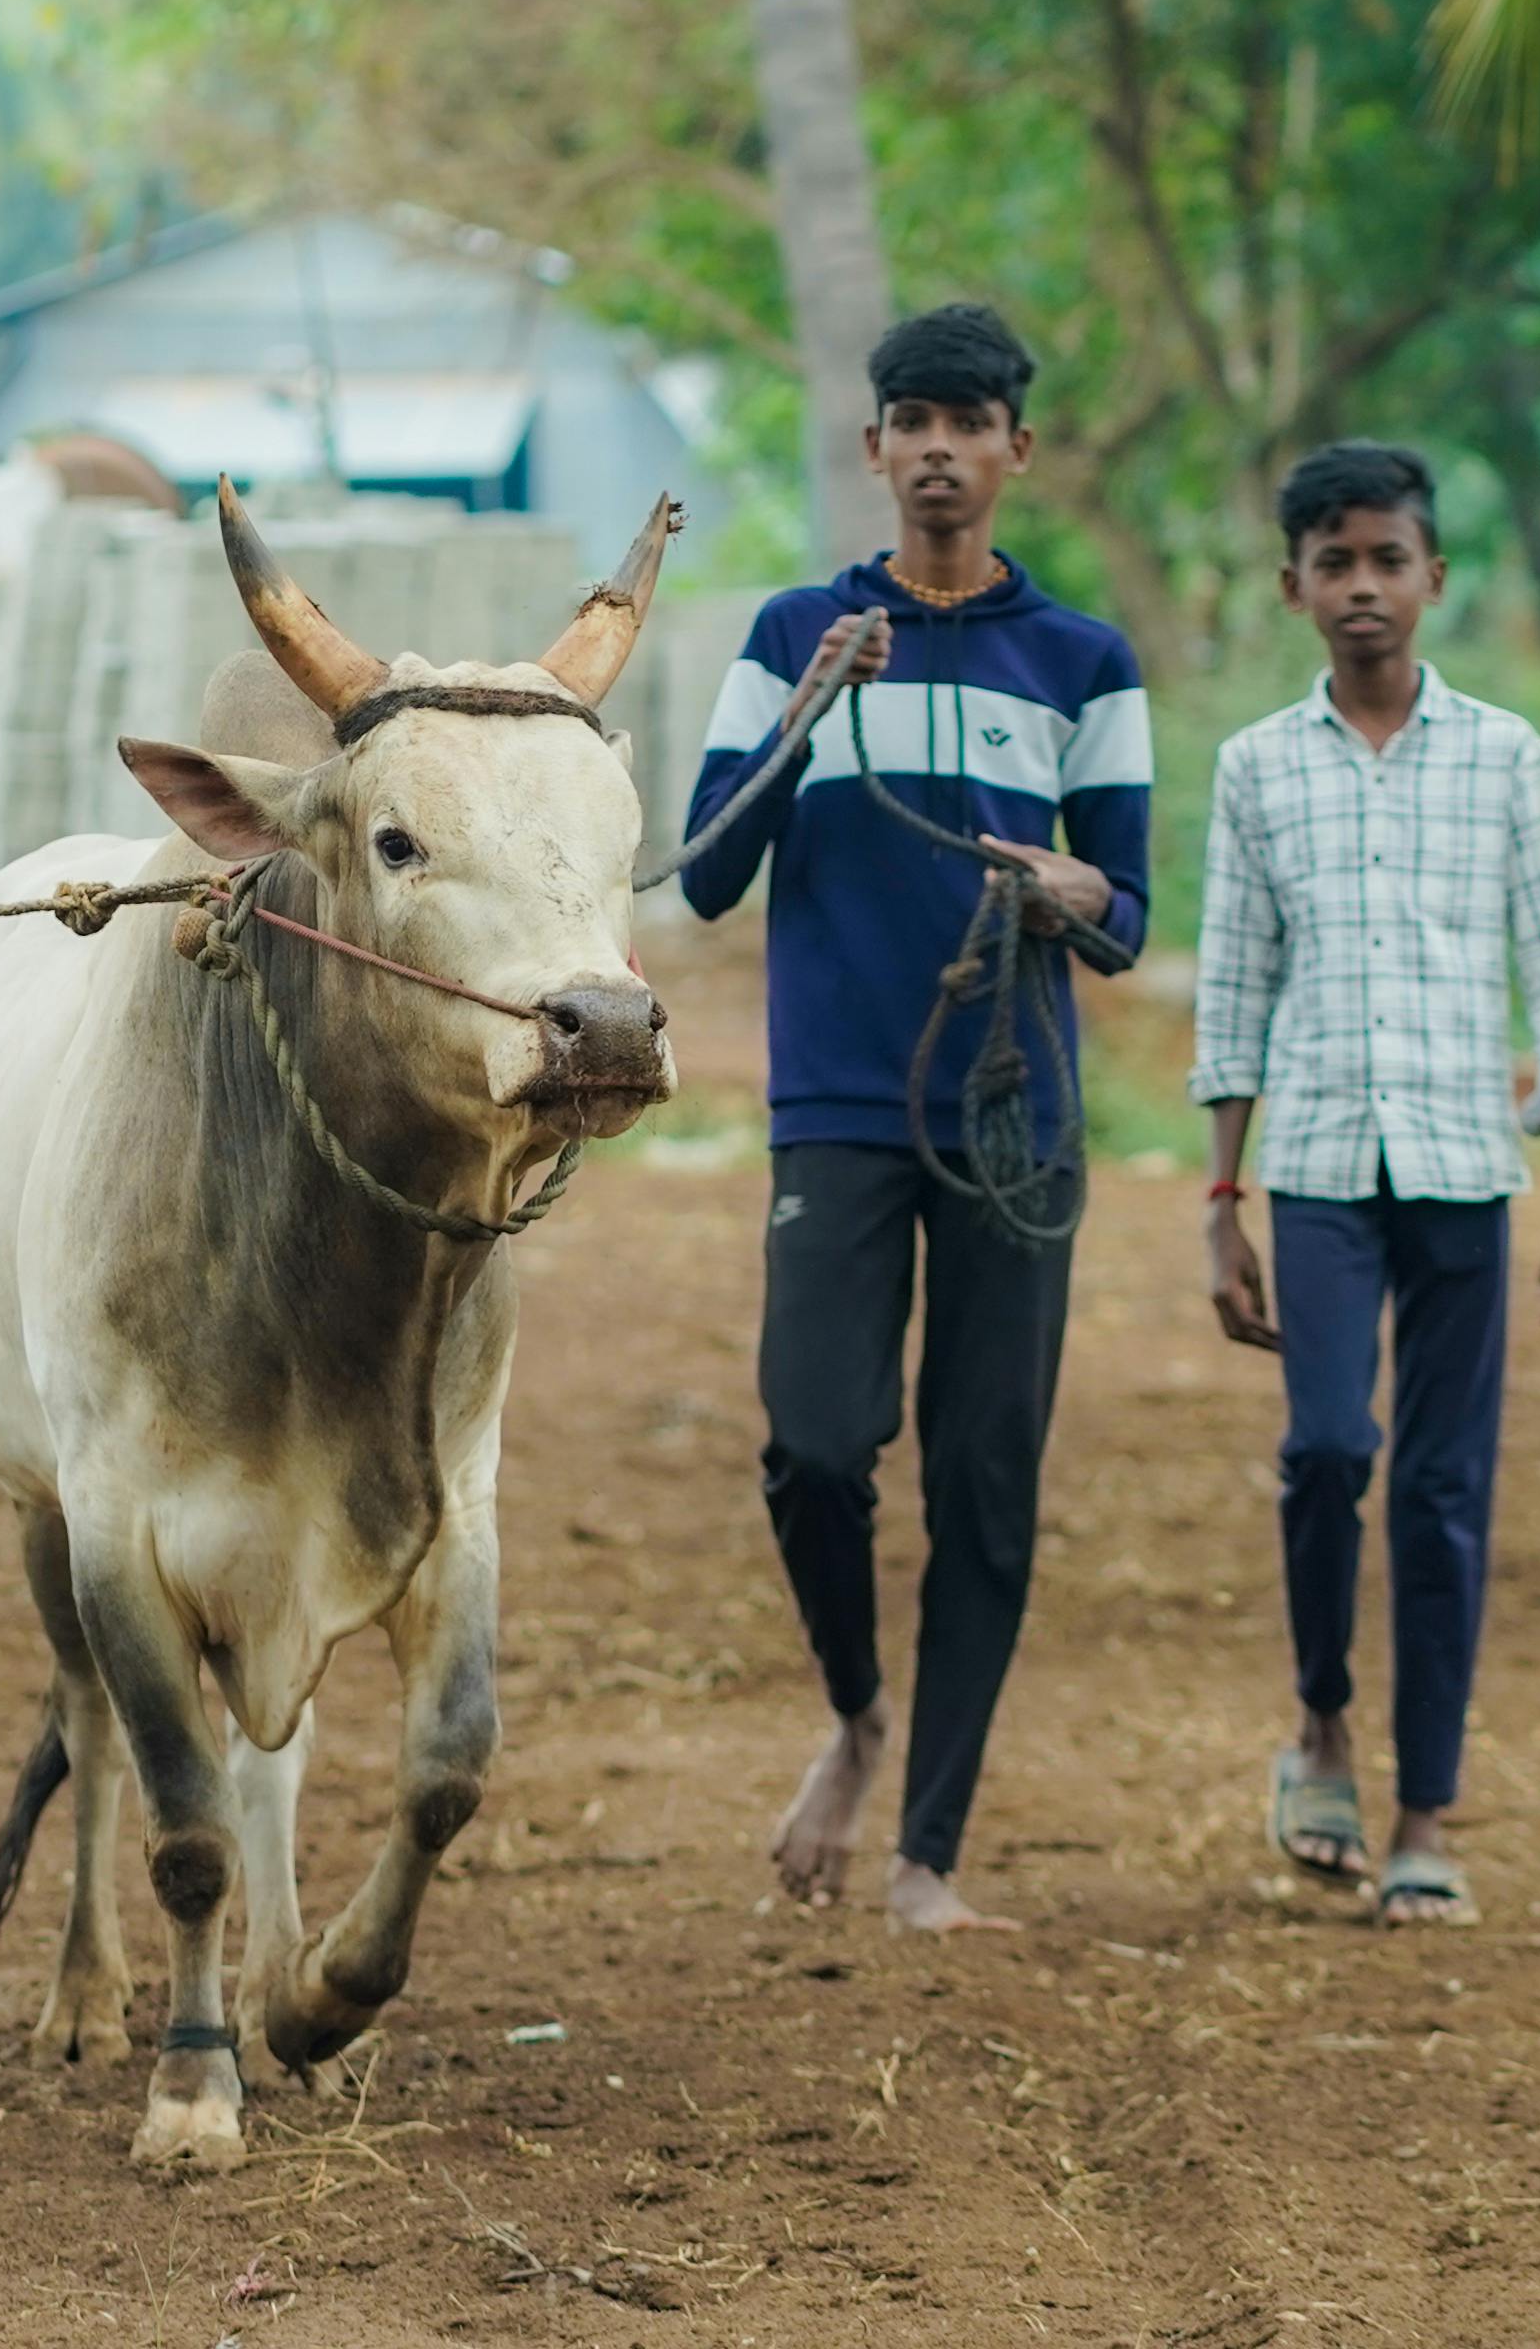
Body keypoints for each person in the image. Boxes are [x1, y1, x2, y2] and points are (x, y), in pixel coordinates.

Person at [679, 302, 1153, 1933]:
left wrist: (1078, 891)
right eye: (914, 423)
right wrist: (807, 706)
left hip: (1015, 1124)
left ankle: (929, 1852)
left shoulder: (1084, 661)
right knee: (815, 1445)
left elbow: (1127, 912)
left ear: (1018, 449)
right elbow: (708, 873)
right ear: (874, 447)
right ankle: (858, 1714)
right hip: (838, 1105)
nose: (940, 450)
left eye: (970, 424)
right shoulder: (790, 633)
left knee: (985, 1477)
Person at [1190, 440, 1540, 1930]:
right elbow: (1234, 993)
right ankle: (1320, 1730)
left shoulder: (1507, 758)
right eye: (1335, 563)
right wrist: (1220, 1206)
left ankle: (1425, 1813)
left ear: (1434, 577)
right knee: (1325, 1450)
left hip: (1462, 1173)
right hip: (1314, 1169)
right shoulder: (1258, 767)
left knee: (1443, 1493)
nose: (1362, 586)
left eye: (1387, 560)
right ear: (1293, 587)